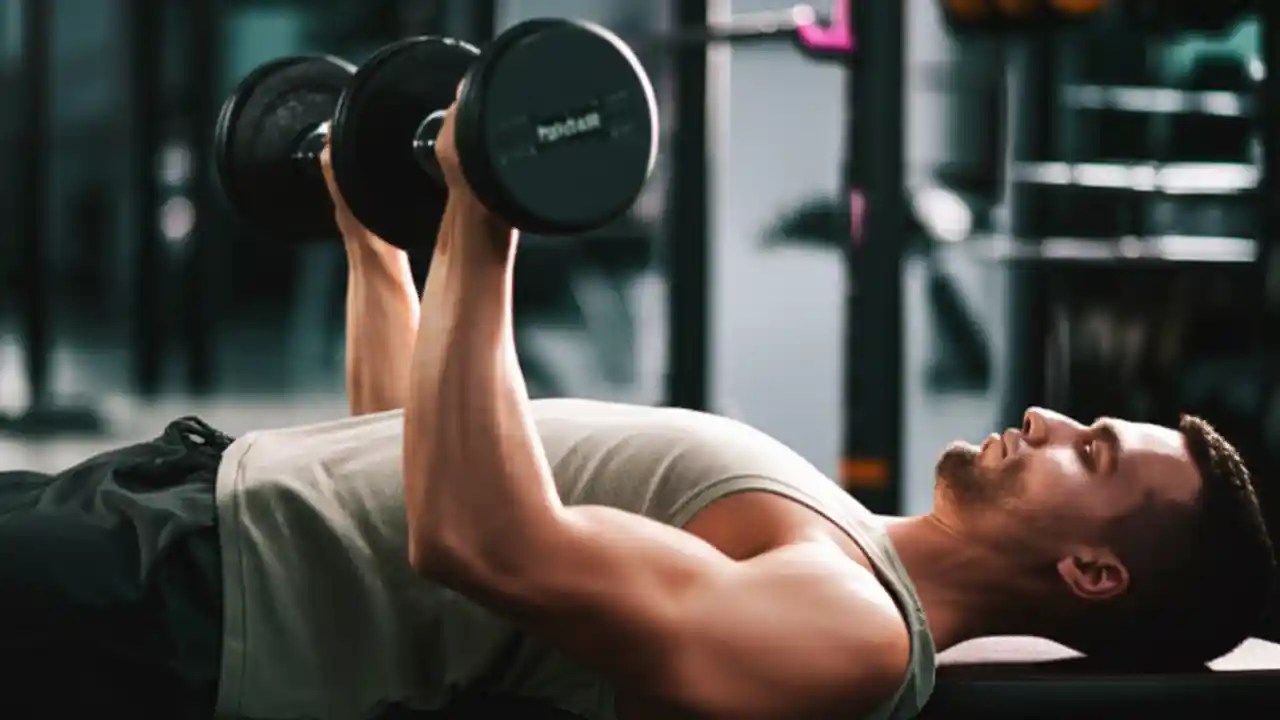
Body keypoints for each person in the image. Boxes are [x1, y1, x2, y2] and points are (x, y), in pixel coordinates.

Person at [1, 94, 1275, 720]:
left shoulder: (851, 629)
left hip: (183, 599)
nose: (1050, 418)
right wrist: (389, 236)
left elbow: (481, 541)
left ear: (1093, 571)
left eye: (1092, 452)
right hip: (172, 511)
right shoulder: (833, 532)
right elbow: (413, 458)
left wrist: (490, 214)